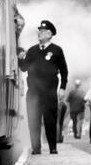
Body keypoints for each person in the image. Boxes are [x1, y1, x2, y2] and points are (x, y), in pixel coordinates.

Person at [18, 19, 69, 155]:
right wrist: (20, 59)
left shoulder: (56, 50)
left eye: (43, 31)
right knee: (33, 120)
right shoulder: (32, 50)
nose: (39, 33)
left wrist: (62, 88)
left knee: (50, 120)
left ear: (50, 34)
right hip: (33, 92)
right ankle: (36, 148)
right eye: (39, 31)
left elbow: (64, 71)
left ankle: (53, 147)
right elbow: (24, 68)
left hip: (49, 92)